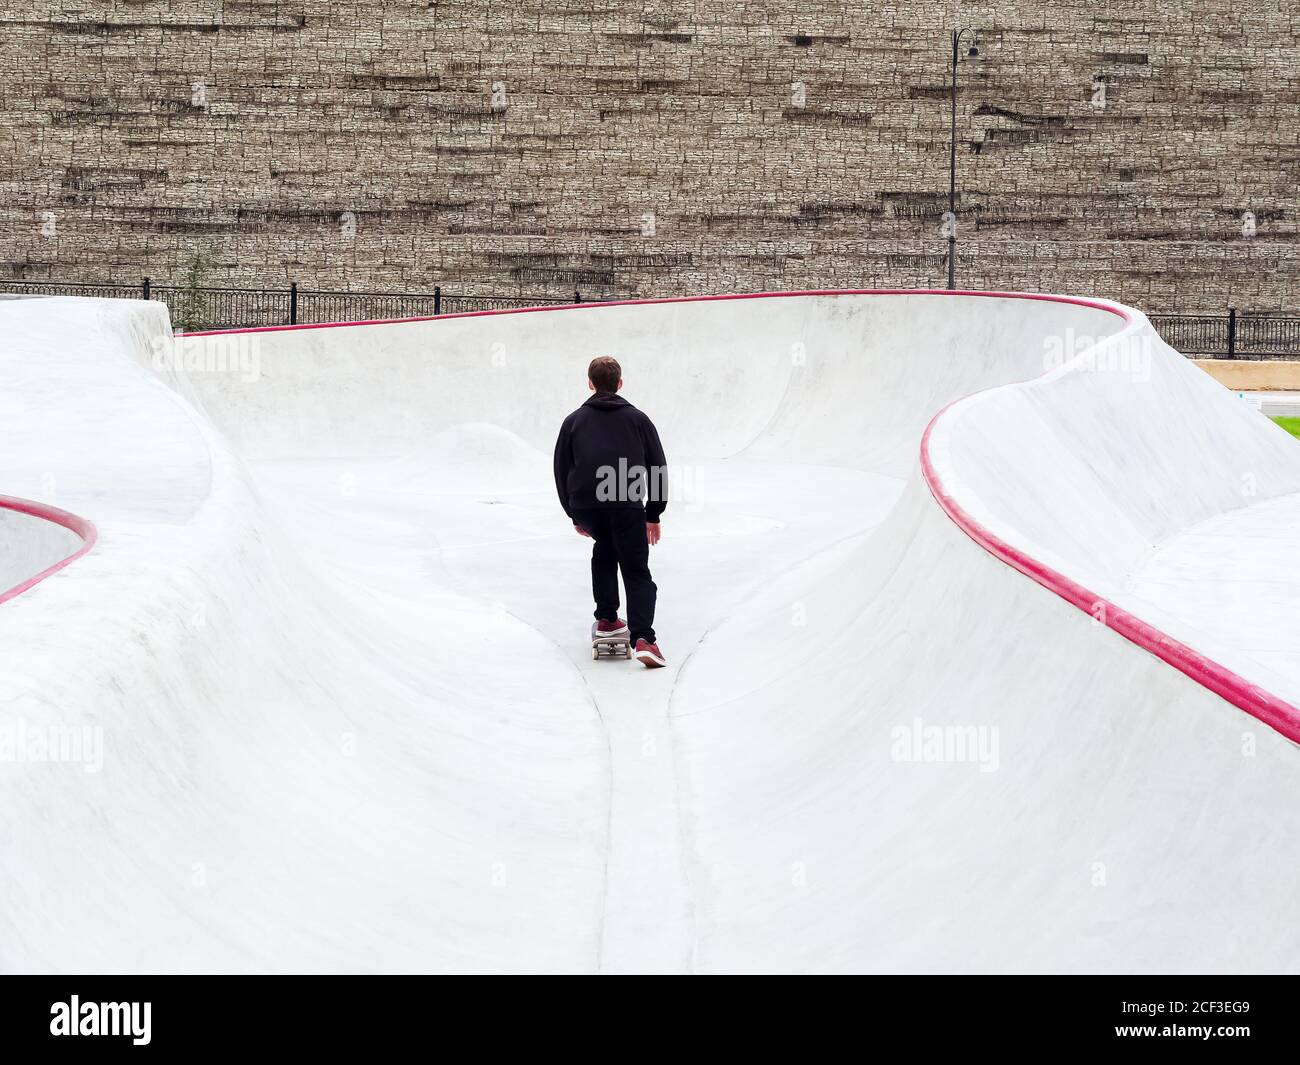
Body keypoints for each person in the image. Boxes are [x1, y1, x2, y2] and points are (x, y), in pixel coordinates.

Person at [553, 355, 667, 667]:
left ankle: (607, 619)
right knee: (635, 568)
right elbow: (657, 466)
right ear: (619, 384)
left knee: (604, 549)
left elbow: (561, 469)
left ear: (590, 383)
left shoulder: (573, 421)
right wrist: (653, 513)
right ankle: (644, 638)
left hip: (587, 503)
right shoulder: (638, 419)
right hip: (626, 501)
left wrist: (573, 513)